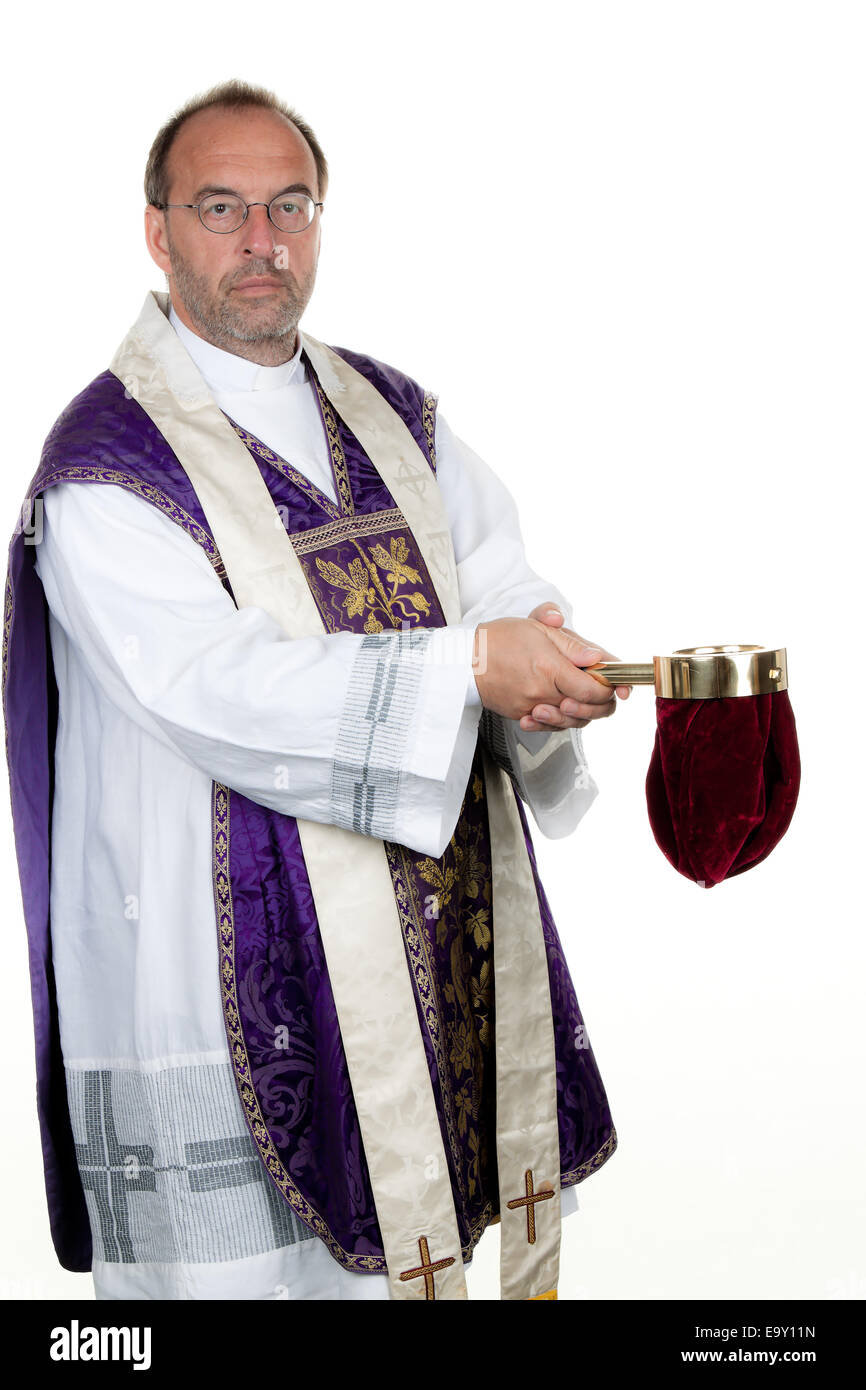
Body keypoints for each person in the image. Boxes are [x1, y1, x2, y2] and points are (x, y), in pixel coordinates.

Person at [2, 79, 629, 1301]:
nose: (260, 240)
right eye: (221, 208)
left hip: (418, 946)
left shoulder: (395, 412)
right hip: (204, 951)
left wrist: (541, 666)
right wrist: (466, 667)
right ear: (158, 230)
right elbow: (212, 690)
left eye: (288, 205)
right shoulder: (106, 466)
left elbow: (491, 574)